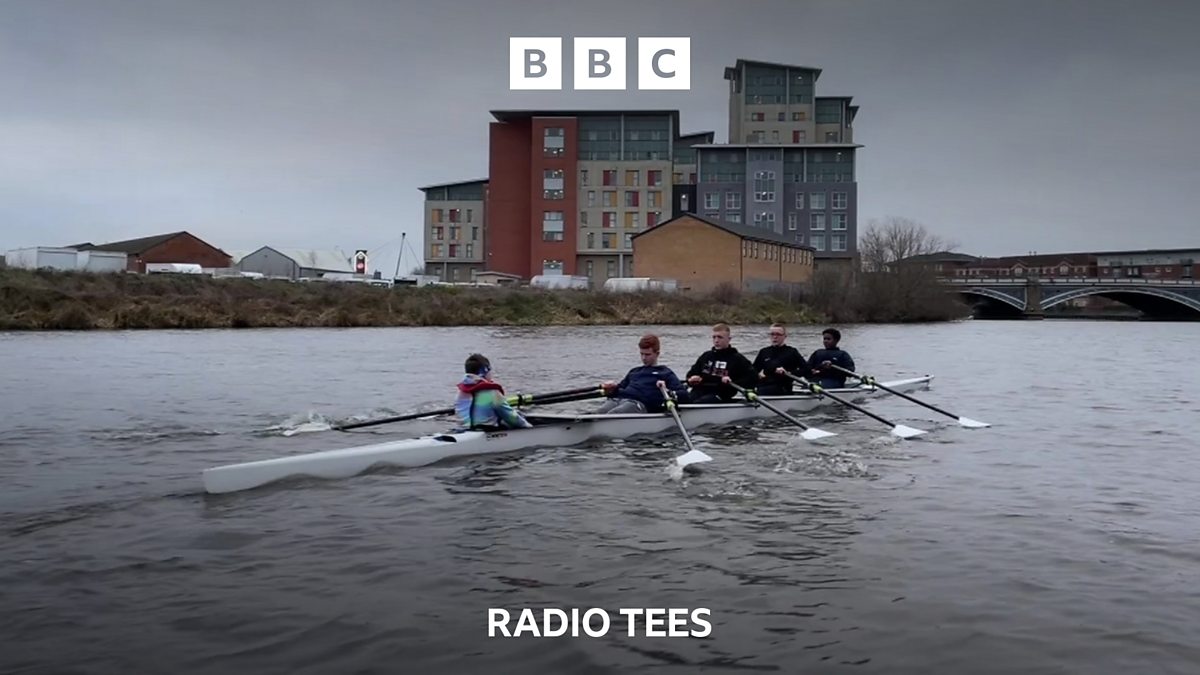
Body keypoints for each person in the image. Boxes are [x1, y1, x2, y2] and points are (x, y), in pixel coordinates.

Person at [598, 334, 688, 414]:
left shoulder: (665, 373)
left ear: (657, 354)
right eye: (642, 354)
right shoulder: (634, 371)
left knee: (614, 413)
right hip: (618, 400)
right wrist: (612, 389)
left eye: (647, 354)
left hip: (638, 403)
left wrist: (667, 391)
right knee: (597, 413)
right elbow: (619, 390)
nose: (644, 358)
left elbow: (684, 395)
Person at [454, 353, 533, 430]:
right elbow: (511, 418)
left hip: (462, 431)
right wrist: (529, 427)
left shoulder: (460, 393)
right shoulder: (492, 393)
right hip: (486, 434)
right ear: (484, 370)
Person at [685, 323, 756, 404]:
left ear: (729, 339)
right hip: (700, 390)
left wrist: (732, 382)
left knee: (699, 402)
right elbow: (691, 374)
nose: (716, 340)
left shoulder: (737, 358)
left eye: (720, 337)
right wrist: (691, 379)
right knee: (684, 399)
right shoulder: (706, 356)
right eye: (714, 337)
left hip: (720, 393)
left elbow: (752, 378)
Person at [751, 323, 811, 395]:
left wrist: (789, 373)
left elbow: (807, 370)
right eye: (772, 334)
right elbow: (753, 370)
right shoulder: (764, 352)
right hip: (764, 385)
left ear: (785, 336)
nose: (775, 337)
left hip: (783, 387)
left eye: (778, 334)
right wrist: (756, 375)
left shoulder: (792, 352)